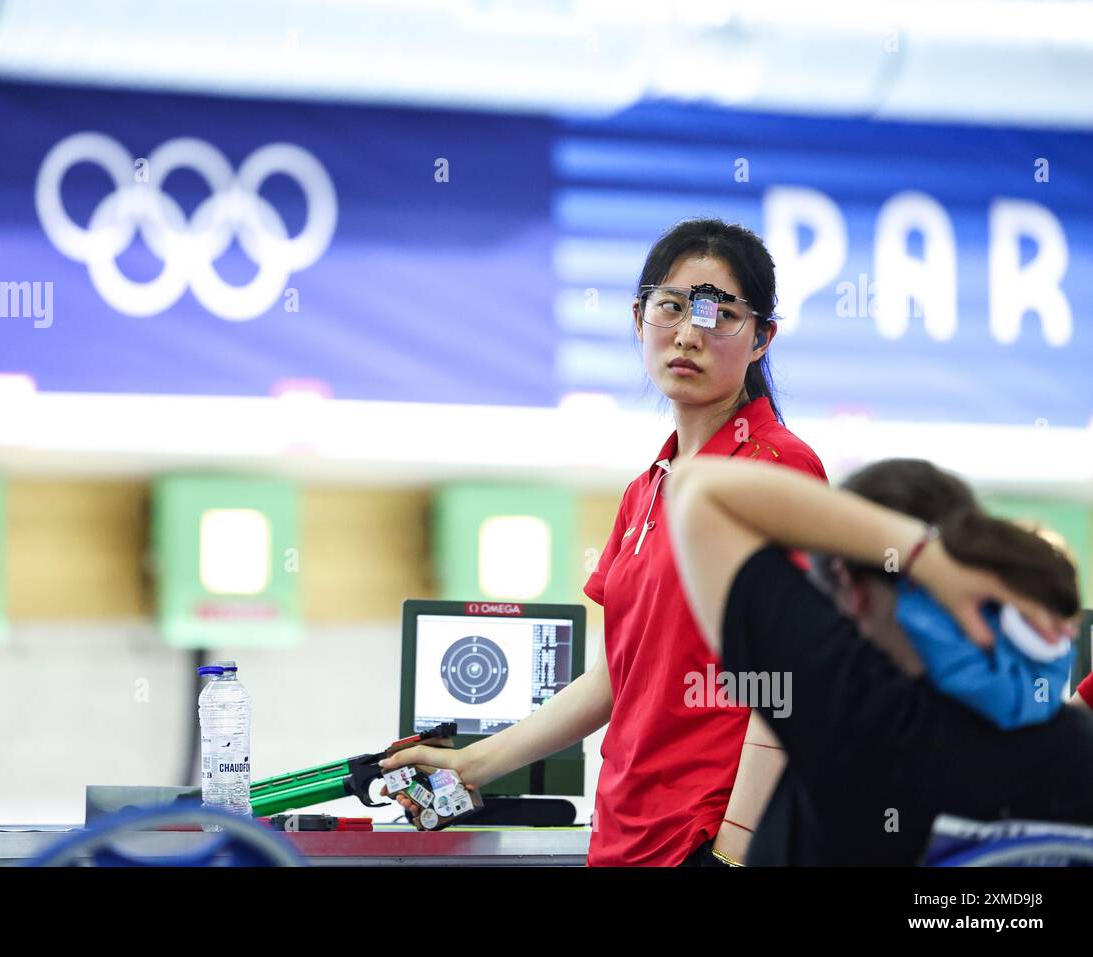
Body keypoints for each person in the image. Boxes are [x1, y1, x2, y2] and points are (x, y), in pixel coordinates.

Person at [381, 219, 827, 866]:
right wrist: (471, 764)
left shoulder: (776, 467)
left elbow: (790, 678)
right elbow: (618, 675)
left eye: (719, 313)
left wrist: (737, 849)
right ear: (639, 317)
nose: (688, 333)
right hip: (626, 836)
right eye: (670, 306)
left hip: (710, 840)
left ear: (762, 338)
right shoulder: (644, 490)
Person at [663, 454, 1093, 865]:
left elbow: (694, 487)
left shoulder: (855, 715)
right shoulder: (1076, 745)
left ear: (847, 584)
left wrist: (923, 553)